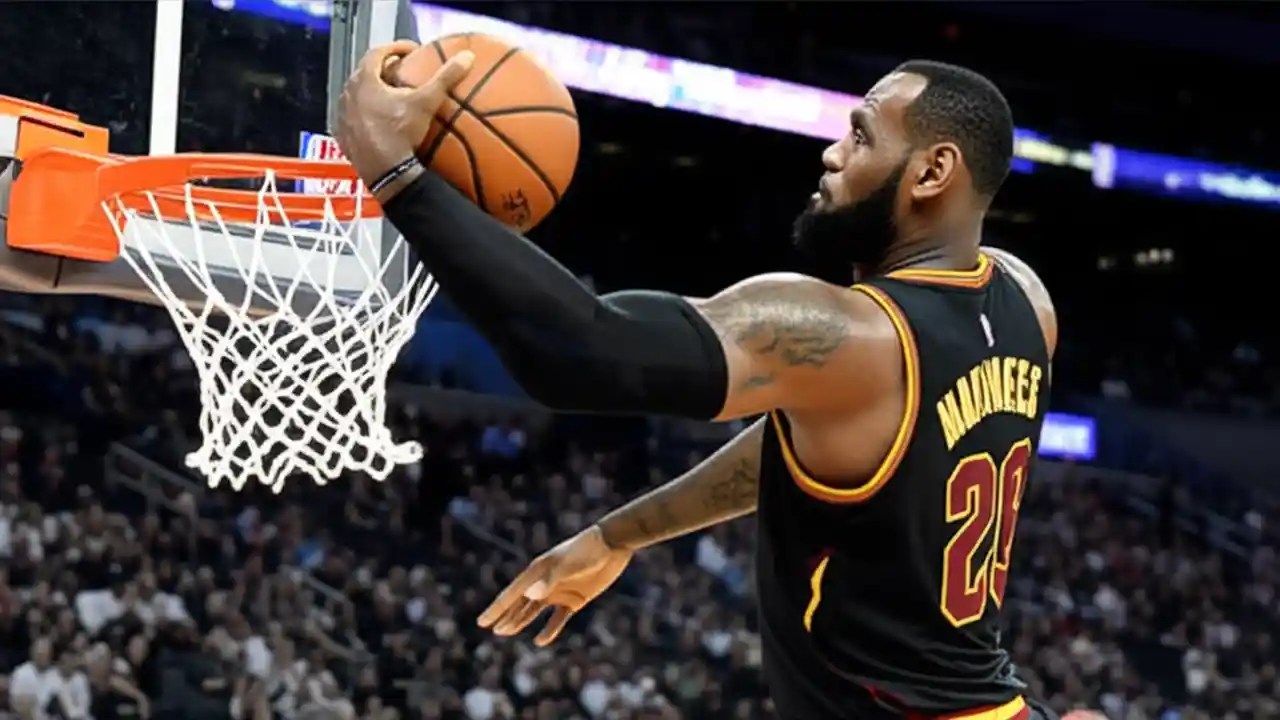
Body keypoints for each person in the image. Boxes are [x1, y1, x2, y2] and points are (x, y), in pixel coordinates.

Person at [337, 42, 1095, 720]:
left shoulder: (851, 336)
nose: (832, 154)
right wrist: (618, 533)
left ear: (933, 171)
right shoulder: (1028, 304)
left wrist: (397, 174)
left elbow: (583, 349)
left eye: (860, 134)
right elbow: (818, 441)